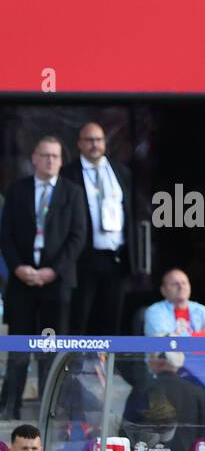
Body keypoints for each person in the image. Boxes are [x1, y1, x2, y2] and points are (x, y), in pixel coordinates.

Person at [0, 136, 88, 417]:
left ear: (62, 161)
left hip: (56, 285)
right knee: (19, 348)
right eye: (44, 155)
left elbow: (77, 237)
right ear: (34, 158)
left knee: (51, 346)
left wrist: (53, 271)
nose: (50, 160)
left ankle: (50, 409)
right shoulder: (17, 191)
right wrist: (18, 268)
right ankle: (9, 406)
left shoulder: (73, 193)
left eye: (55, 156)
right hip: (22, 284)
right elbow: (6, 235)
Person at [69, 122, 131, 336]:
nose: (94, 145)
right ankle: (74, 368)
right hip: (84, 259)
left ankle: (106, 367)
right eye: (89, 140)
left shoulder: (121, 171)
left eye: (98, 139)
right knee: (80, 318)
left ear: (105, 143)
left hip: (116, 258)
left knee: (112, 319)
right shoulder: (69, 174)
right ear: (80, 144)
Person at [121, 351, 205, 451]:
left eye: (151, 356)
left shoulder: (143, 389)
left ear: (161, 360)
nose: (148, 361)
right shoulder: (196, 392)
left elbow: (126, 430)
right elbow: (204, 433)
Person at [143, 268, 205, 337]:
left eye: (184, 283)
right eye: (174, 284)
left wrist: (179, 336)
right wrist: (201, 336)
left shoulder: (202, 310)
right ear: (163, 290)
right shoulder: (155, 311)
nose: (181, 287)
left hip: (201, 355)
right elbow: (164, 343)